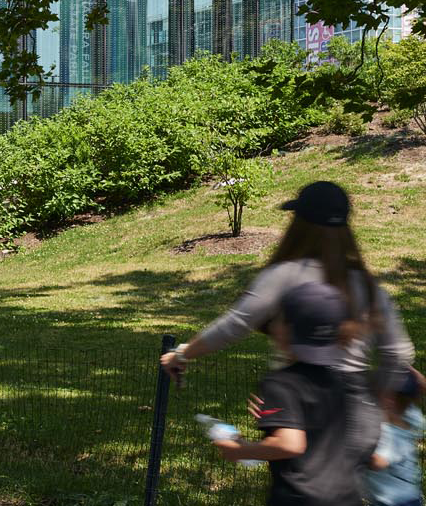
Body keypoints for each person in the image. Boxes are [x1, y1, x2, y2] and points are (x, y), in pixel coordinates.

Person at [163, 180, 413, 467]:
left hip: (299, 408)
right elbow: (399, 353)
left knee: (299, 484)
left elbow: (236, 324)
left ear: (300, 224)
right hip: (353, 417)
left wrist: (181, 354)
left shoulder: (286, 275)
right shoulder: (367, 285)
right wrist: (373, 399)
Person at [207, 282, 365, 503]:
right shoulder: (344, 380)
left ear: (287, 331)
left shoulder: (281, 383)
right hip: (347, 497)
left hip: (301, 498)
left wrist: (240, 450)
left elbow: (290, 443)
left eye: (278, 319)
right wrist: (282, 417)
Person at [365, 367, 423, 506]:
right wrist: (403, 364)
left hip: (393, 502)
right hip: (409, 497)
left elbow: (378, 463)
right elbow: (422, 386)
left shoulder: (389, 435)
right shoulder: (412, 416)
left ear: (390, 400)